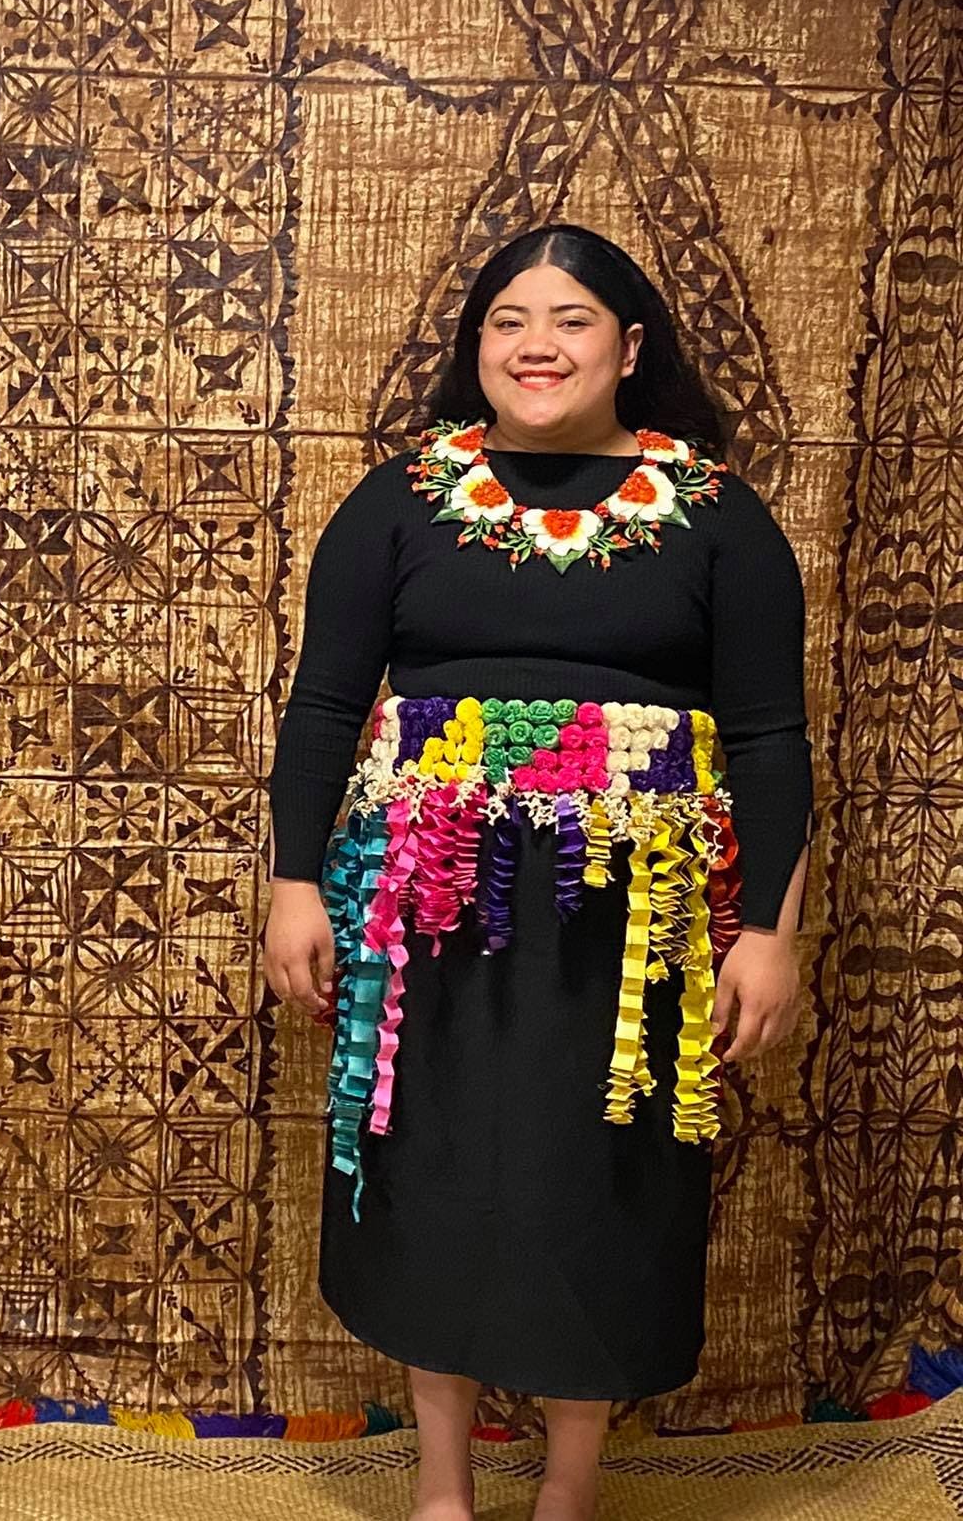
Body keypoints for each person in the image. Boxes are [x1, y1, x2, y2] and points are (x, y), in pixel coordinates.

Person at [262, 225, 811, 1521]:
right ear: (477, 348)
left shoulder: (719, 517)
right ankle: (443, 1487)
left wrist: (773, 930)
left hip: (635, 930)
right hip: (429, 907)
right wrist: (294, 881)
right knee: (433, 1167)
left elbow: (775, 737)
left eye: (570, 319)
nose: (536, 344)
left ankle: (571, 1485)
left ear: (629, 347)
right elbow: (328, 703)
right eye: (509, 319)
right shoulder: (399, 501)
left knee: (604, 1181)